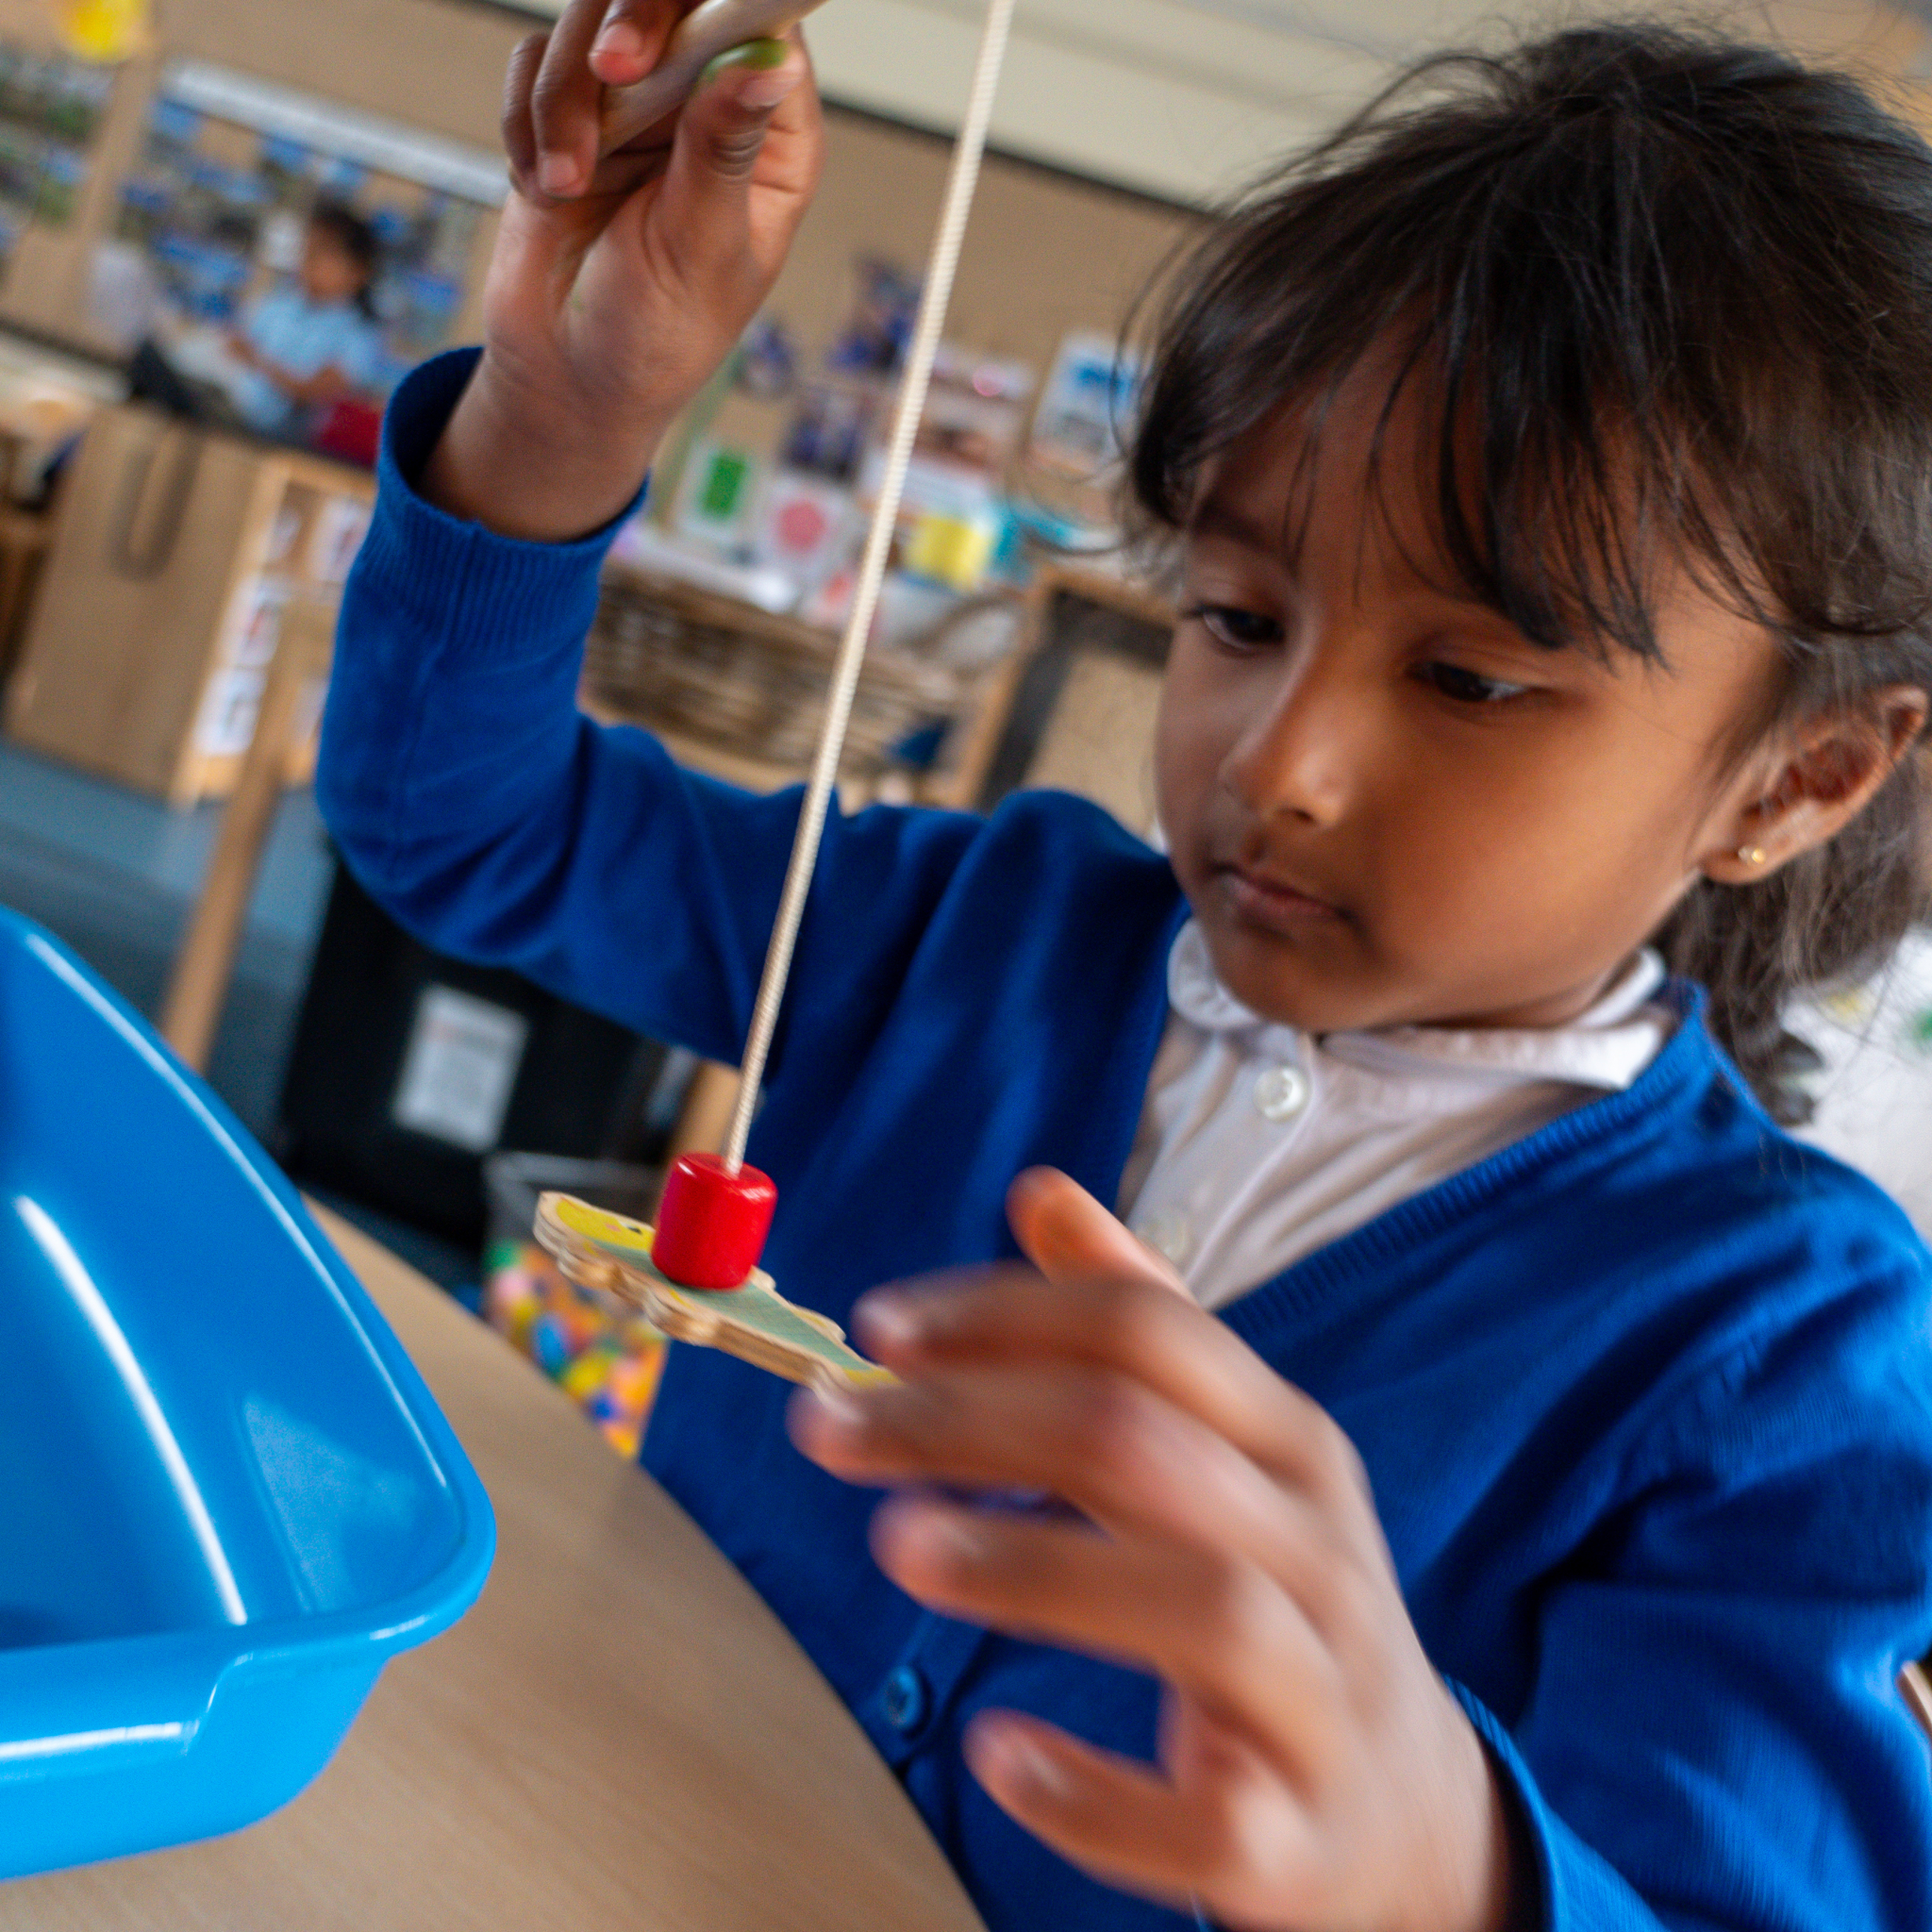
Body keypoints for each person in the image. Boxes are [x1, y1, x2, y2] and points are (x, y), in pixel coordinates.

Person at [314, 11, 1932, 1931]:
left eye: (1470, 679)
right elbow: (459, 824)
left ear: (1796, 777)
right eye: (1238, 615)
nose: (1277, 760)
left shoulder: (1783, 1349)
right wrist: (561, 411)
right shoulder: (980, 931)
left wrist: (1457, 1869)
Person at [223, 200, 385, 438]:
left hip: (281, 441)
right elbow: (235, 347)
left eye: (322, 253)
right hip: (227, 415)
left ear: (357, 270)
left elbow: (314, 393)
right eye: (307, 249)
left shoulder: (361, 335)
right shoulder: (281, 302)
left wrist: (255, 360)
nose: (308, 260)